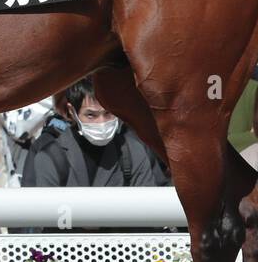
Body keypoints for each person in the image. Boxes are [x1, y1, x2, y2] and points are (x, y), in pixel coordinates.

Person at [24, 77, 168, 191]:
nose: (102, 122)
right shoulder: (51, 156)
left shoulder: (132, 151)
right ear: (72, 112)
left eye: (108, 113)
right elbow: (42, 219)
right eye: (91, 115)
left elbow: (147, 216)